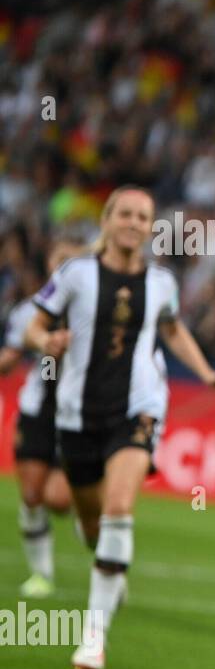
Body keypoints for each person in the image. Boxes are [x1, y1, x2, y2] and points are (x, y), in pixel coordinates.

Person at [24, 186, 215, 669]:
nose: (135, 223)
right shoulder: (76, 274)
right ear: (107, 220)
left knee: (120, 507)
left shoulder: (161, 282)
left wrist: (205, 374)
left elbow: (172, 328)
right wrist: (46, 340)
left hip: (138, 408)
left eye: (143, 216)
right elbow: (34, 325)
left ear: (150, 226)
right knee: (94, 525)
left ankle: (93, 638)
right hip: (77, 414)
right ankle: (108, 564)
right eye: (126, 214)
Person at [1, 232, 83, 598]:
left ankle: (90, 512)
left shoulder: (90, 310)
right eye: (58, 259)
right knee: (32, 493)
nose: (63, 267)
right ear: (49, 265)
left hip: (75, 412)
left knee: (60, 500)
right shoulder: (28, 311)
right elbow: (11, 359)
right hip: (38, 409)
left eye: (72, 260)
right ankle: (42, 574)